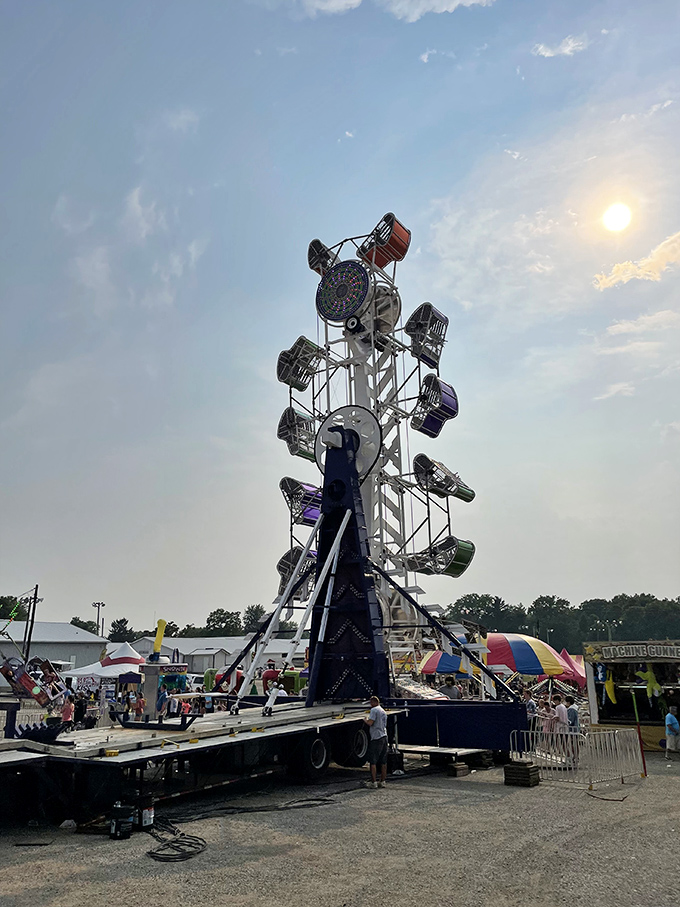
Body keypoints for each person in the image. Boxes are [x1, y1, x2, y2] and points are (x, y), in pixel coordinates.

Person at [364, 695, 388, 789]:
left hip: (376, 737)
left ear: (373, 702)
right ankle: (382, 781)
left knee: (373, 760)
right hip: (384, 735)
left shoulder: (374, 710)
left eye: (371, 703)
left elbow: (370, 723)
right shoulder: (383, 711)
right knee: (383, 761)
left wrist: (365, 720)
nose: (370, 705)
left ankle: (373, 782)